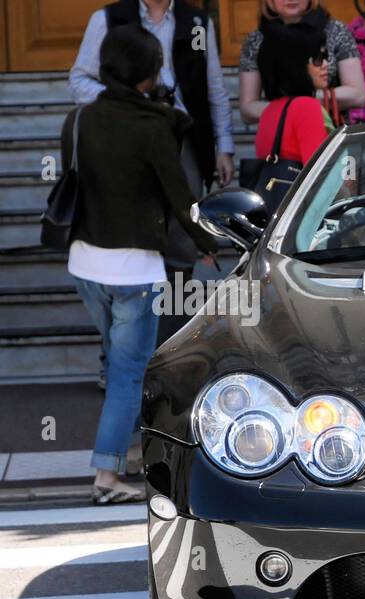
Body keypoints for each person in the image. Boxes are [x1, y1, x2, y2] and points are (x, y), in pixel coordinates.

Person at [63, 25, 218, 504]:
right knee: (130, 373)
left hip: (86, 263)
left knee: (120, 364)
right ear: (150, 75)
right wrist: (207, 242)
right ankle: (107, 478)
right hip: (134, 270)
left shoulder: (83, 119)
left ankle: (126, 457)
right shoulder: (154, 125)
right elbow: (181, 197)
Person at [70, 0, 235, 345]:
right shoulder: (108, 18)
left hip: (183, 138)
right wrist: (128, 102)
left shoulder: (196, 22)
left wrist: (224, 144)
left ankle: (171, 351)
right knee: (123, 246)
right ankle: (117, 356)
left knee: (181, 249)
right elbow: (79, 80)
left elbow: (213, 87)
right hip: (122, 141)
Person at [239, 0, 365, 125]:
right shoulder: (256, 40)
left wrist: (302, 101)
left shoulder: (336, 31)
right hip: (281, 134)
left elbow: (357, 95)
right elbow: (247, 110)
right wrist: (292, 107)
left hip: (331, 133)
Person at [254, 20, 331, 166]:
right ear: (296, 66)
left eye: (325, 56)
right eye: (317, 59)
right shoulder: (306, 107)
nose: (326, 65)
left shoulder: (269, 111)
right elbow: (321, 175)